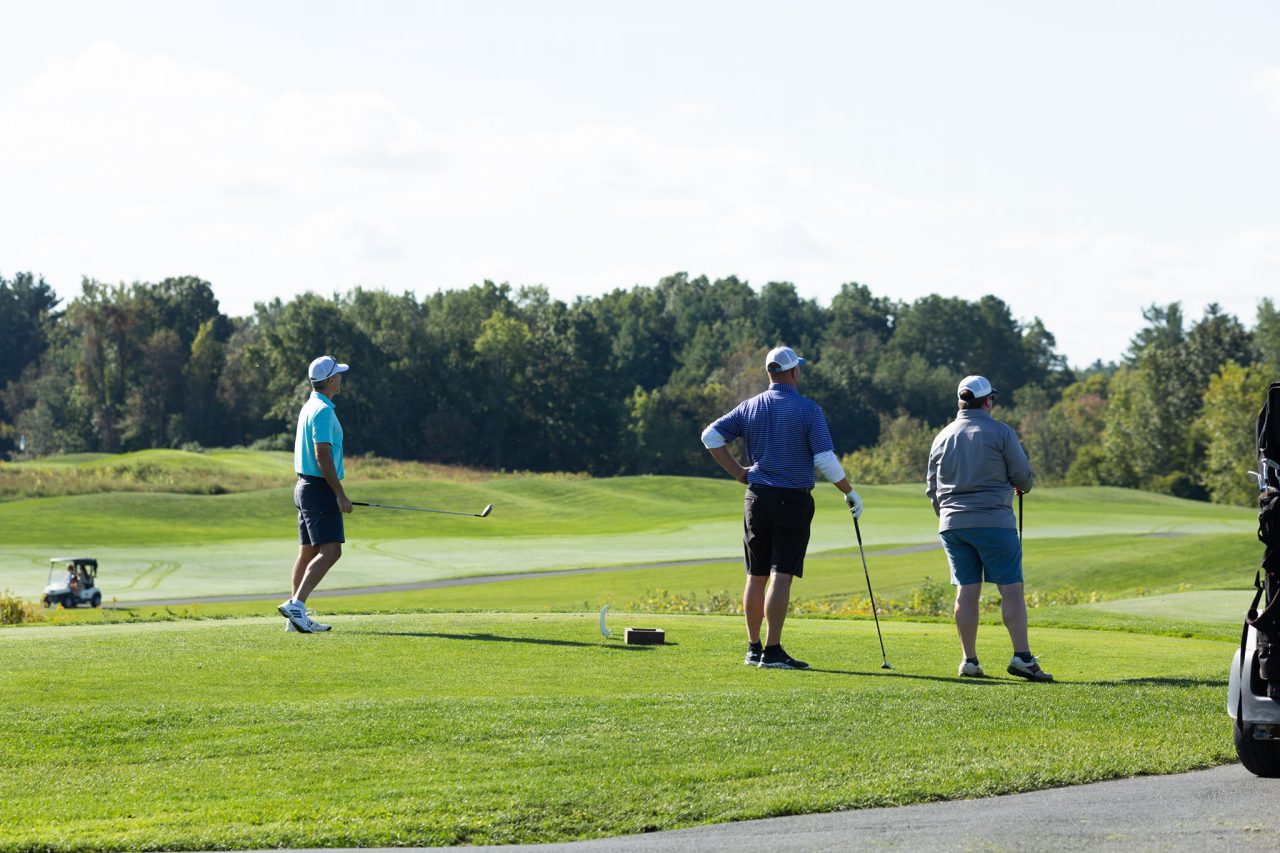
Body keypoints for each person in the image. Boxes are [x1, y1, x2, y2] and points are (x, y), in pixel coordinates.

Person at [701, 345, 863, 669]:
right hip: (792, 499)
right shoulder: (808, 410)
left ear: (769, 373)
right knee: (781, 575)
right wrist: (849, 491)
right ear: (794, 372)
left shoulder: (750, 406)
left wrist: (737, 473)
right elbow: (824, 460)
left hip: (757, 498)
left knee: (756, 575)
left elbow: (710, 436)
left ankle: (753, 648)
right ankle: (772, 651)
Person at [926, 375, 1051, 682]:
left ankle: (969, 660)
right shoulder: (1001, 432)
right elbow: (1023, 477)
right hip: (994, 521)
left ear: (960, 401)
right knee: (1011, 588)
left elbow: (932, 488)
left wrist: (947, 515)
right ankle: (1022, 657)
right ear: (987, 401)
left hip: (952, 524)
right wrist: (1020, 485)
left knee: (966, 591)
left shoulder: (942, 436)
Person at [278, 355, 353, 634]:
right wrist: (340, 493)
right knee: (331, 551)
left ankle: (294, 616)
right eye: (339, 375)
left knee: (308, 552)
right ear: (330, 380)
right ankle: (296, 605)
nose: (342, 378)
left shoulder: (309, 406)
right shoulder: (323, 411)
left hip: (305, 487)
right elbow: (323, 455)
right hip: (319, 488)